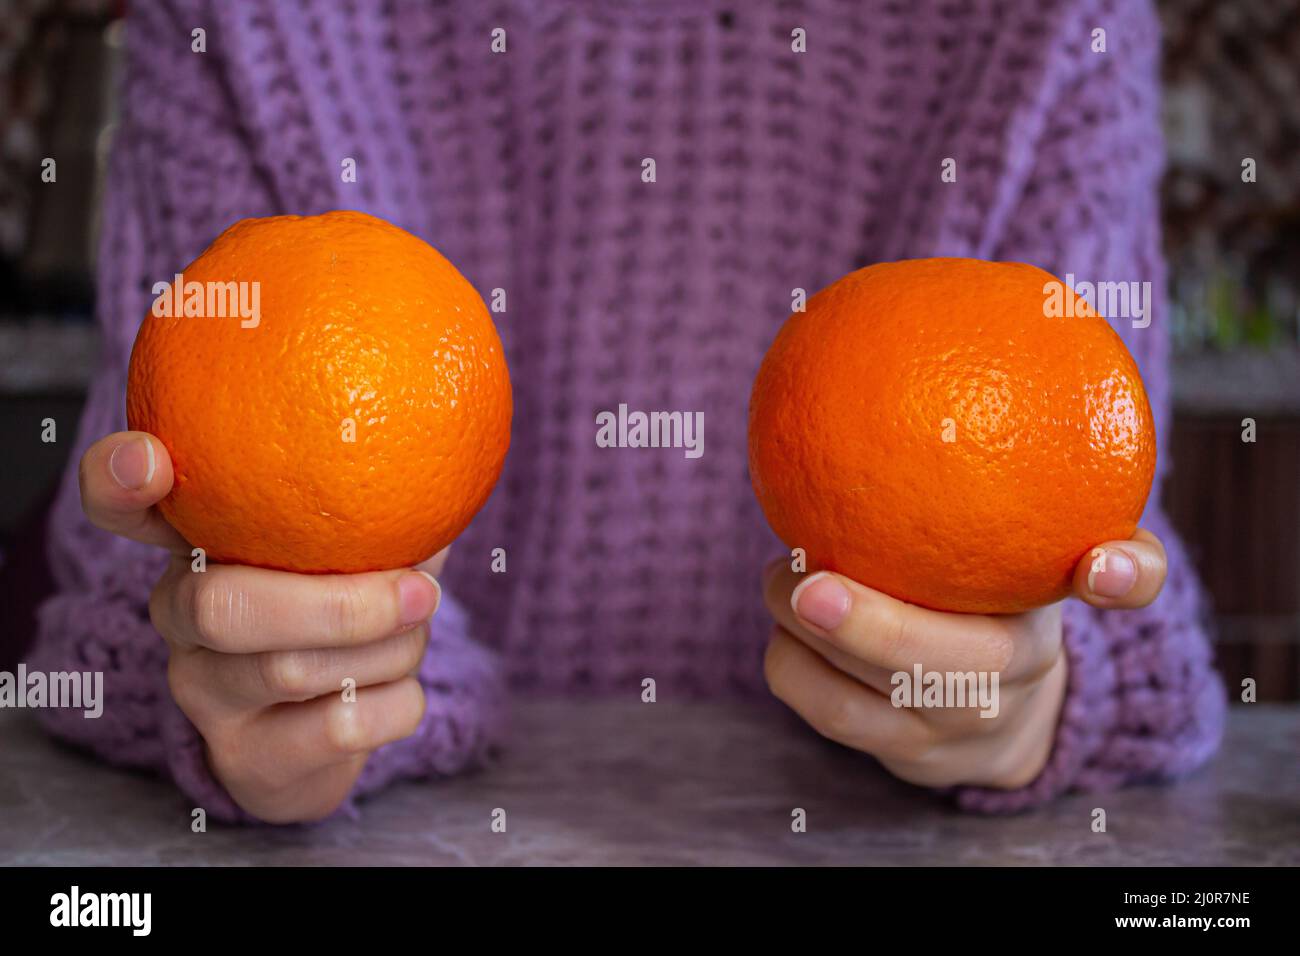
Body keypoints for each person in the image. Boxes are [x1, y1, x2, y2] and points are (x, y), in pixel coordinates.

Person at [31, 0, 1225, 824]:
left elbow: (1100, 542)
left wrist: (1034, 692)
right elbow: (143, 537)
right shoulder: (247, 24)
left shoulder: (1050, 25)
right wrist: (277, 698)